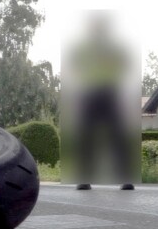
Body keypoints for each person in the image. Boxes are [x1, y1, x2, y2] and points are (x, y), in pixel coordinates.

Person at [60, 10, 140, 190]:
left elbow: (124, 65)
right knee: (87, 137)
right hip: (89, 93)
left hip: (110, 91)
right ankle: (85, 178)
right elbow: (74, 68)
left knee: (117, 137)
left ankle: (126, 177)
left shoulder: (114, 48)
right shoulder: (83, 48)